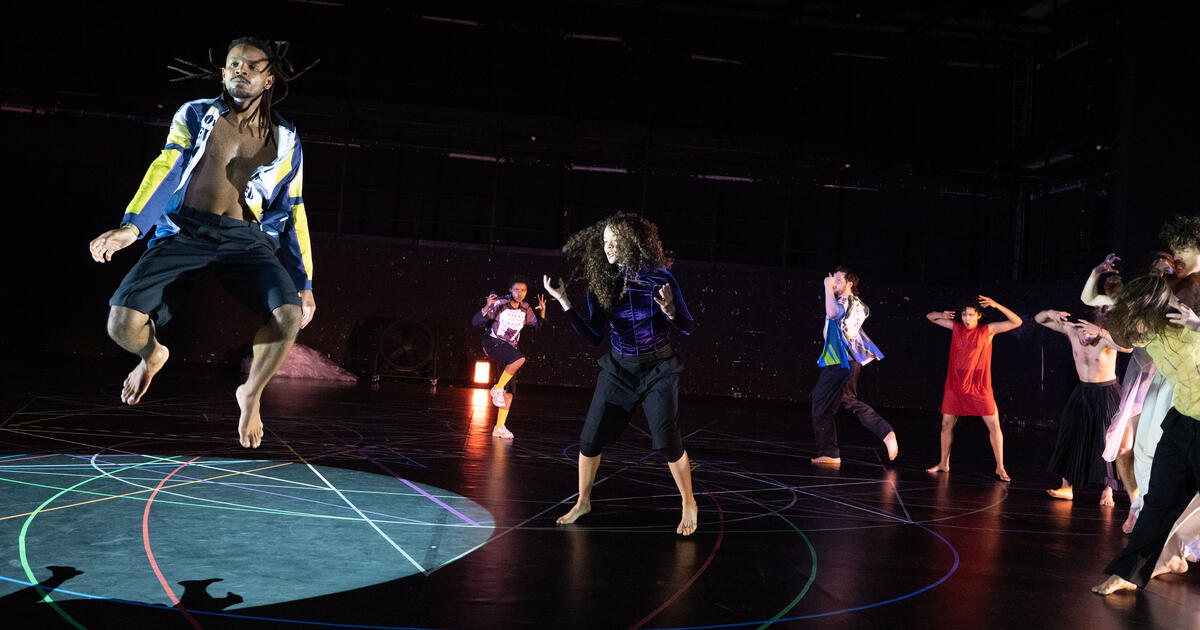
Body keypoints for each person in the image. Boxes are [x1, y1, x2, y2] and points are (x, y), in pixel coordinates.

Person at [87, 37, 316, 449]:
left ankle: (251, 393)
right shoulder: (195, 114)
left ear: (269, 80)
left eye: (251, 66)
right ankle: (153, 355)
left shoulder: (286, 139)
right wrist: (132, 227)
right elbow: (168, 166)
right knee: (120, 323)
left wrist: (305, 283)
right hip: (186, 231)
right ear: (222, 72)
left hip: (245, 240)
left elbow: (293, 208)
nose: (240, 71)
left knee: (289, 315)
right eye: (232, 65)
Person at [542, 212, 698, 536]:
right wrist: (564, 302)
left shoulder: (661, 279)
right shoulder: (603, 283)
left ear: (632, 244)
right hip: (619, 368)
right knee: (589, 439)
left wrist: (669, 311)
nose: (608, 248)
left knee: (668, 442)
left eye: (614, 242)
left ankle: (689, 502)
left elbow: (687, 326)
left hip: (658, 369)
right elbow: (592, 338)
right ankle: (583, 501)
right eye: (605, 242)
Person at [1092, 270, 1200, 594]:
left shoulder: (1187, 332)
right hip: (1182, 422)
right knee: (1158, 504)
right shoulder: (1148, 338)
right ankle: (1128, 573)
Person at [1034, 310, 1131, 505]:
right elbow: (1039, 319)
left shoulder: (1105, 339)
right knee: (1070, 436)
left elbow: (1127, 348)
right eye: (1082, 332)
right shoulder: (1072, 332)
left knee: (1106, 442)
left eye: (1089, 333)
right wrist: (1049, 313)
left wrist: (1102, 332)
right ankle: (1066, 486)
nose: (1085, 337)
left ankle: (1108, 491)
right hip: (1082, 391)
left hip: (1106, 392)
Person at [925, 296, 1023, 481]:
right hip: (955, 385)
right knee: (946, 425)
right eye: (964, 315)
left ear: (978, 315)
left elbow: (1017, 322)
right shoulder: (957, 328)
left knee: (994, 426)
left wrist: (996, 304)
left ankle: (1000, 467)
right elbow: (930, 316)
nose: (967, 319)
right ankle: (943, 463)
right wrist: (941, 314)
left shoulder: (988, 331)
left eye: (971, 315)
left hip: (979, 386)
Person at [809, 267, 898, 466]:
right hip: (850, 361)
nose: (834, 282)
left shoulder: (842, 301)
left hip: (840, 361)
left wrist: (827, 287)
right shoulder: (861, 305)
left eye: (839, 279)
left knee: (820, 405)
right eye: (834, 279)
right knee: (845, 401)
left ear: (850, 283)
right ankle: (885, 432)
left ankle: (830, 453)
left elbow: (832, 313)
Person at [471, 278, 547, 439]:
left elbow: (537, 325)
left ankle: (499, 427)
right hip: (492, 343)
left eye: (523, 290)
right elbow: (475, 321)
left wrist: (542, 311)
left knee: (509, 394)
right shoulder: (499, 303)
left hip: (508, 351)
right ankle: (496, 389)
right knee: (520, 359)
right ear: (510, 290)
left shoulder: (526, 309)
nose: (519, 293)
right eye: (516, 290)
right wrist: (487, 306)